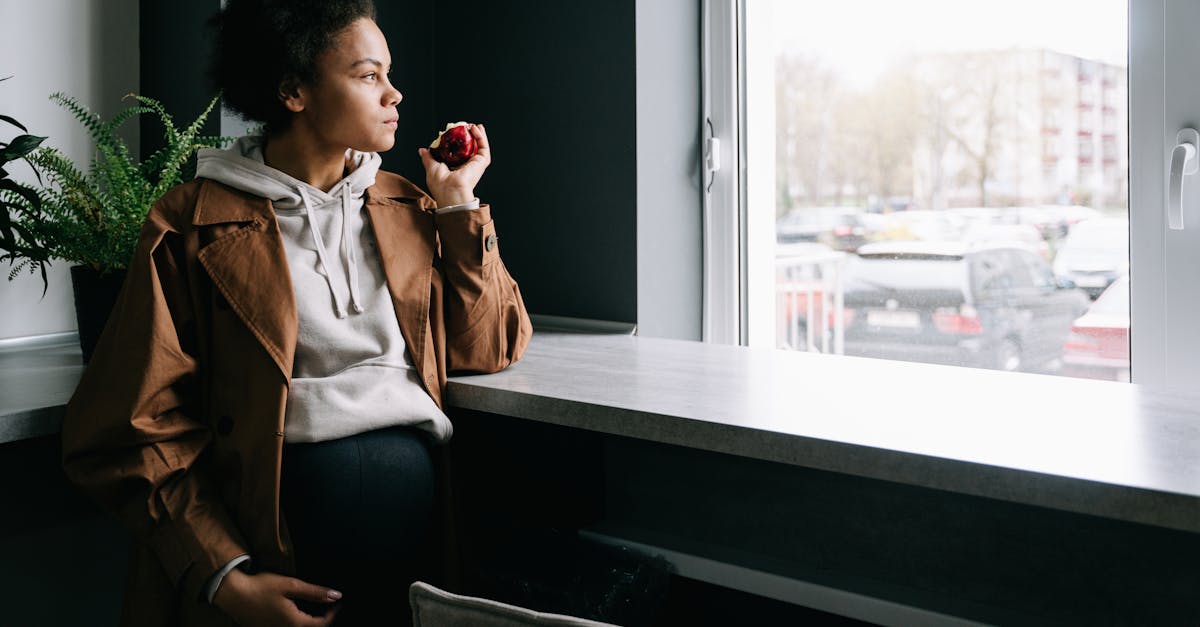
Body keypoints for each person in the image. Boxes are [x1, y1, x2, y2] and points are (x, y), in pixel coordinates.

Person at [58, 0, 532, 625]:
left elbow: (488, 346)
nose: (394, 94)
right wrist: (225, 578)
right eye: (368, 75)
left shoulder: (409, 207)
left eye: (389, 74)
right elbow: (124, 429)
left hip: (416, 555)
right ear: (293, 90)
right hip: (266, 558)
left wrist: (459, 209)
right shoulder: (190, 221)